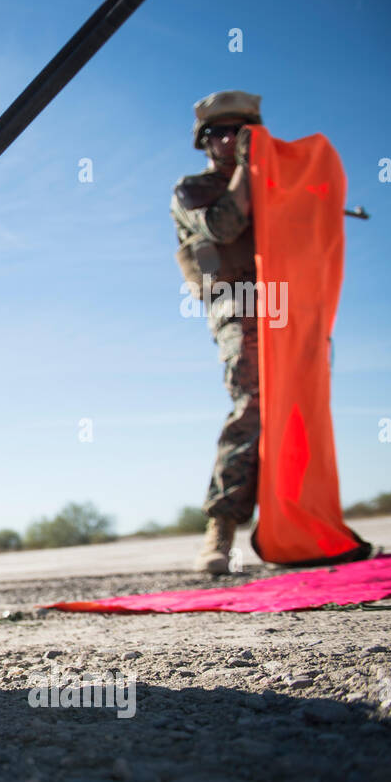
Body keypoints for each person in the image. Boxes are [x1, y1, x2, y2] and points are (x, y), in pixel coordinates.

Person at [171, 90, 262, 575]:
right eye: (220, 133)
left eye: (240, 133)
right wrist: (248, 169)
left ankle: (297, 525)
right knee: (253, 402)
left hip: (293, 301)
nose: (230, 141)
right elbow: (224, 228)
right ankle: (221, 530)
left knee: (298, 407)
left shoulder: (279, 183)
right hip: (239, 301)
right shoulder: (193, 189)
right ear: (205, 142)